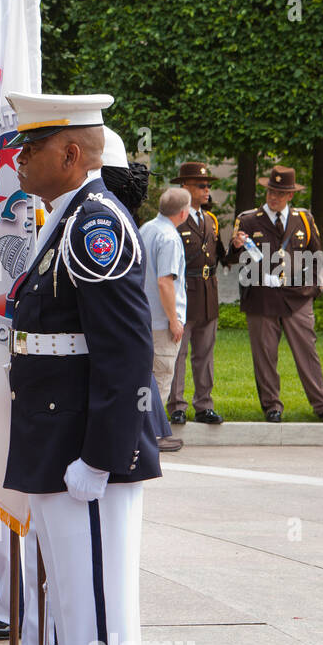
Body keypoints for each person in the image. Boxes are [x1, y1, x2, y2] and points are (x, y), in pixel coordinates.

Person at [3, 92, 159, 645]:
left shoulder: (96, 224)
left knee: (100, 617)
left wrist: (100, 458)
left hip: (84, 458)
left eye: (27, 148)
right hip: (59, 446)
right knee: (79, 613)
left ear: (70, 153)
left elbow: (126, 353)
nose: (17, 159)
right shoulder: (66, 222)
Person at [225, 166, 323, 424]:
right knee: (265, 355)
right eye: (270, 191)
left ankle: (322, 405)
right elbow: (231, 259)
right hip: (261, 297)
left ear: (290, 195)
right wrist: (235, 246)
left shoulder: (304, 220)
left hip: (298, 297)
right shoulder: (248, 220)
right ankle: (272, 406)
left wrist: (314, 288)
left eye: (280, 193)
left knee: (307, 353)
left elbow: (316, 256)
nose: (273, 197)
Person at [169, 162, 226, 425]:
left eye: (208, 186)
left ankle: (204, 405)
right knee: (178, 353)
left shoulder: (210, 220)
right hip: (184, 292)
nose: (207, 190)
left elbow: (222, 257)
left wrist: (237, 246)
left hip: (208, 293)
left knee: (205, 353)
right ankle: (177, 406)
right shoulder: (175, 219)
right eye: (201, 186)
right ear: (186, 187)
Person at [139, 188, 190, 453]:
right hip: (160, 322)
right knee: (161, 376)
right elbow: (165, 281)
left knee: (145, 377)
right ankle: (154, 435)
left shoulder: (147, 228)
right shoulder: (169, 237)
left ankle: (144, 431)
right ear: (184, 212)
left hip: (143, 318)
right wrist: (174, 320)